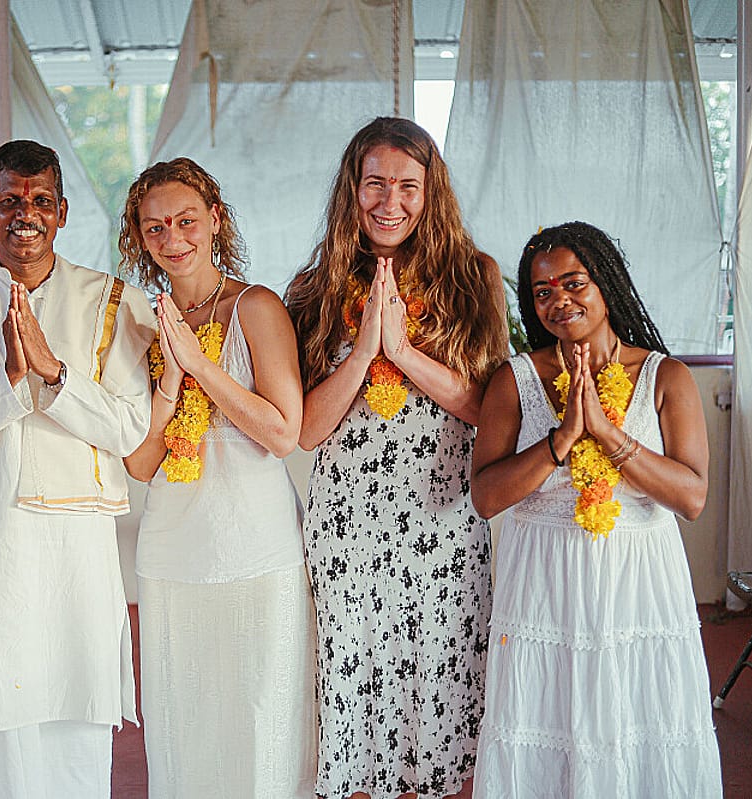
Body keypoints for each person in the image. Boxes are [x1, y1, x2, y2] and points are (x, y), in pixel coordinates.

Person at [0, 140, 156, 799]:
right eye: (11, 201)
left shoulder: (111, 299)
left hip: (78, 540)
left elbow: (130, 427)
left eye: (41, 200)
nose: (27, 213)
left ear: (64, 211)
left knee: (76, 695)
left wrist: (54, 373)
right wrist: (11, 385)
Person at [284, 117, 508, 799]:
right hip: (348, 525)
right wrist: (363, 351)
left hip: (441, 523)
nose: (391, 201)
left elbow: (488, 408)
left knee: (435, 685)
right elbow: (306, 430)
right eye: (375, 182)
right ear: (351, 190)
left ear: (430, 191)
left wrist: (404, 353)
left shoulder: (475, 276)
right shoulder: (314, 287)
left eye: (408, 185)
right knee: (353, 683)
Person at [470, 221, 722, 797]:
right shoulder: (515, 381)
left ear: (605, 282)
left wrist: (608, 435)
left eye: (574, 282)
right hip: (543, 584)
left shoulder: (666, 377)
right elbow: (486, 498)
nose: (560, 300)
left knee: (640, 723)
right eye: (542, 292)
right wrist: (562, 440)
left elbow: (691, 497)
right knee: (547, 727)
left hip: (639, 584)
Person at [119, 158, 317, 797]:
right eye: (154, 228)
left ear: (216, 221)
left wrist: (201, 367)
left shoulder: (256, 306)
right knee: (185, 723)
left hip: (257, 548)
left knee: (262, 717)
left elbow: (284, 432)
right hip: (173, 548)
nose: (172, 238)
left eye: (185, 221)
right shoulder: (140, 321)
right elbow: (141, 464)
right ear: (139, 237)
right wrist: (170, 385)